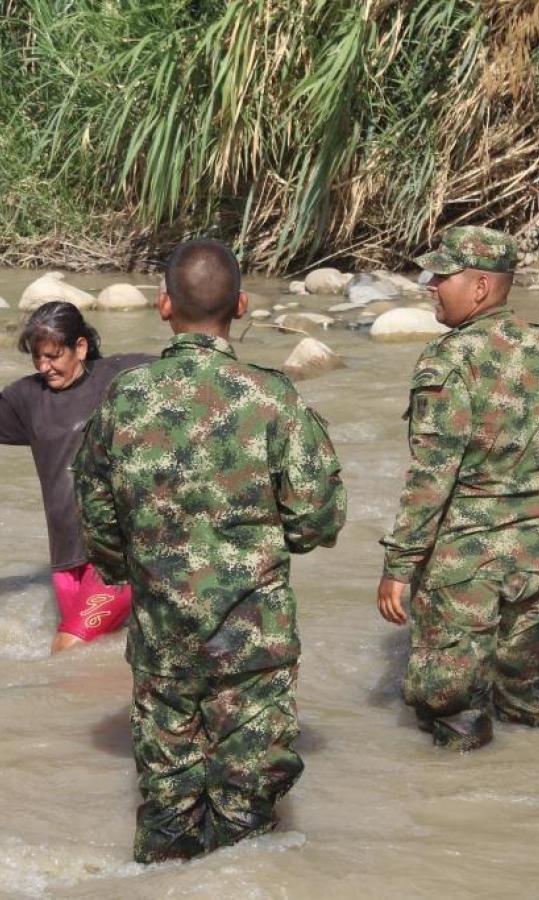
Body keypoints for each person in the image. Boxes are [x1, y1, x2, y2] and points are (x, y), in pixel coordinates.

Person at [73, 240, 347, 863]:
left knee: (168, 807)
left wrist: (134, 573)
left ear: (164, 305)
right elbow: (318, 519)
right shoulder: (274, 398)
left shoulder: (124, 396)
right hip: (254, 638)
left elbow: (95, 515)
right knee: (250, 810)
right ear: (243, 305)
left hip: (163, 633)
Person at [376, 226, 539, 752]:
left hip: (464, 562)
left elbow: (432, 476)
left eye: (441, 276)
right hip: (536, 553)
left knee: (453, 711)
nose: (429, 285)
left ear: (479, 288)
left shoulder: (450, 359)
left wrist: (399, 567)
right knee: (537, 698)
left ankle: (454, 821)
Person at [0, 301, 152, 652]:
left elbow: (188, 375)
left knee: (66, 647)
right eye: (37, 357)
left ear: (80, 347)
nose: (44, 366)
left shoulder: (119, 377)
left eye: (53, 356)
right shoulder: (29, 396)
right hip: (66, 554)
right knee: (95, 655)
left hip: (116, 553)